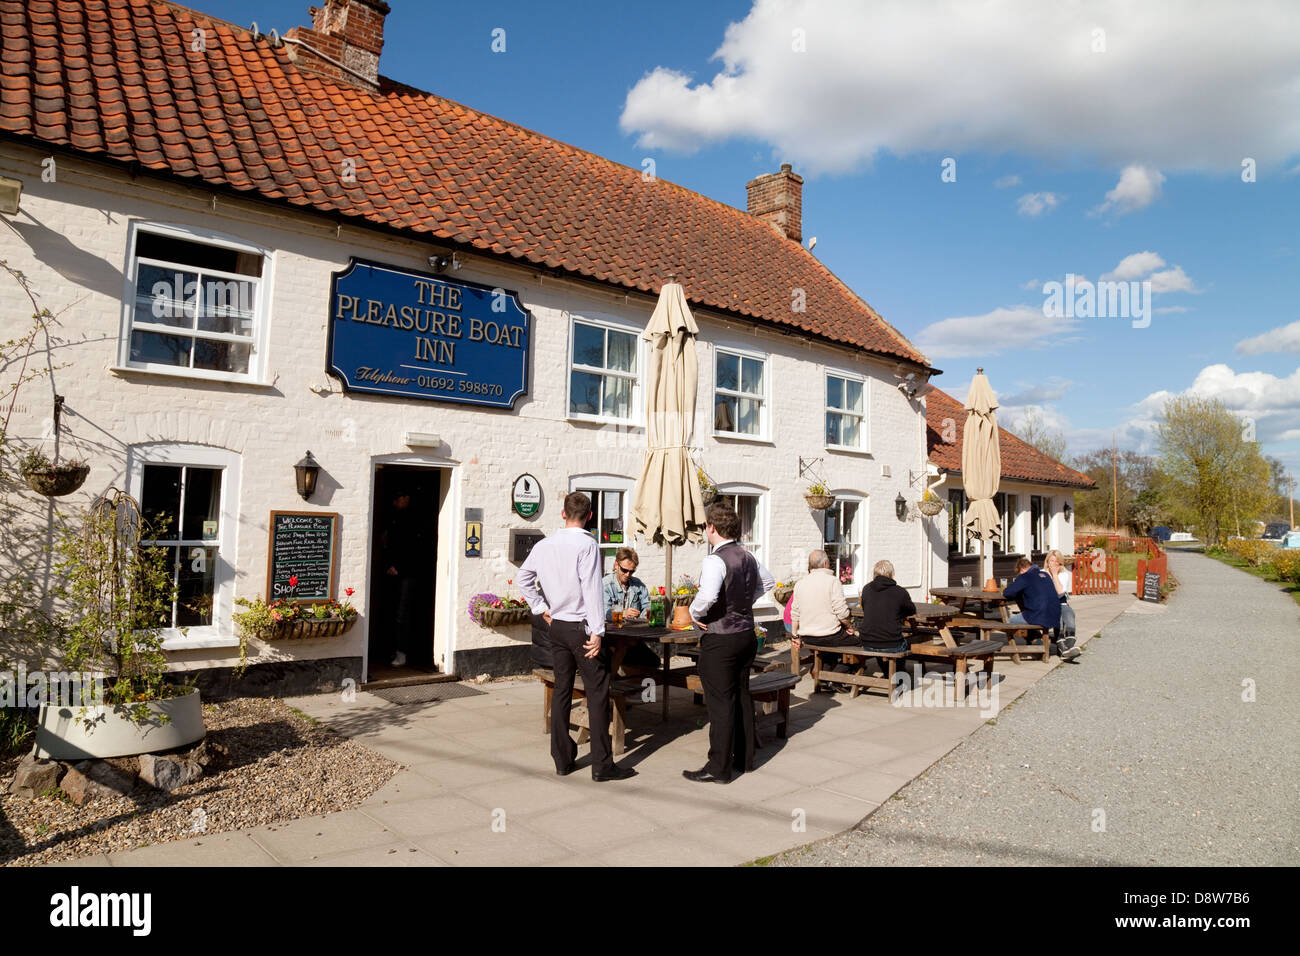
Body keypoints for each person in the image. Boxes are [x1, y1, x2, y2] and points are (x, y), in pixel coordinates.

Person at [517, 492, 635, 782]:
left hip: (556, 625)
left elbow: (523, 577)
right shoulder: (587, 544)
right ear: (590, 516)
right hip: (581, 627)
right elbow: (592, 589)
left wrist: (541, 607)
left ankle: (562, 759)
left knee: (562, 690)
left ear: (562, 513)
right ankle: (602, 765)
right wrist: (598, 631)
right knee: (597, 692)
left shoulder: (545, 544)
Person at [684, 501, 775, 784]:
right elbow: (768, 583)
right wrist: (744, 602)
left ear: (712, 527)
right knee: (741, 695)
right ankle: (744, 759)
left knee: (720, 702)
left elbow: (709, 595)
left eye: (705, 527)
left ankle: (718, 767)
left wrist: (693, 612)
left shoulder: (715, 559)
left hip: (721, 638)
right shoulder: (747, 556)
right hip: (746, 635)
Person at [789, 550, 856, 685]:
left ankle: (824, 676)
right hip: (829, 635)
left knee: (829, 646)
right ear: (825, 563)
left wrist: (795, 635)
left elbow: (795, 612)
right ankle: (835, 676)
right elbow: (842, 612)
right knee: (860, 644)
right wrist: (849, 626)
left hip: (808, 636)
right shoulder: (832, 581)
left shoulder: (800, 583)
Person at [378, 490, 418, 668]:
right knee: (391, 611)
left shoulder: (411, 518)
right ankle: (391, 650)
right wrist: (388, 565)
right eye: (404, 498)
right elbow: (385, 542)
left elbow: (413, 547)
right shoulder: (390, 518)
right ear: (396, 501)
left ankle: (402, 652)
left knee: (402, 614)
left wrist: (398, 566)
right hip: (392, 572)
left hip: (407, 573)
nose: (407, 500)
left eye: (407, 498)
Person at [857, 560, 917, 676]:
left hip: (867, 641)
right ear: (892, 574)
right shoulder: (900, 592)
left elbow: (865, 608)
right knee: (905, 642)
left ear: (874, 574)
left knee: (883, 641)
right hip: (891, 642)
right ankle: (897, 676)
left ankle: (887, 672)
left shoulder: (866, 589)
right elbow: (911, 610)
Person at [602, 547, 658, 669]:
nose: (628, 574)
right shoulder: (605, 584)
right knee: (622, 645)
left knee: (654, 663)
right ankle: (609, 684)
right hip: (610, 634)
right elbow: (604, 612)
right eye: (624, 570)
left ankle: (635, 685)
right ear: (616, 565)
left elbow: (647, 606)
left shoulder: (638, 584)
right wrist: (622, 614)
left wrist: (648, 614)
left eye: (631, 571)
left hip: (632, 634)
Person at [1002, 557, 1063, 652]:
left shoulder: (1025, 576)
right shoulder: (1045, 575)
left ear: (1022, 570)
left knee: (1010, 622)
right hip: (1054, 616)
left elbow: (1007, 593)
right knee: (1027, 618)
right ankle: (1037, 640)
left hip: (1038, 615)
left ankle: (1036, 641)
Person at [1043, 550, 1080, 661]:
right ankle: (1064, 649)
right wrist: (1053, 575)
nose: (1054, 563)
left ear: (1060, 563)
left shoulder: (1063, 575)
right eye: (1052, 561)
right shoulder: (1042, 574)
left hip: (1061, 603)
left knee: (1069, 614)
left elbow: (1059, 592)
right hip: (1047, 605)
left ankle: (1068, 646)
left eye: (1057, 561)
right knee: (1057, 614)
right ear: (1047, 561)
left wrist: (1055, 575)